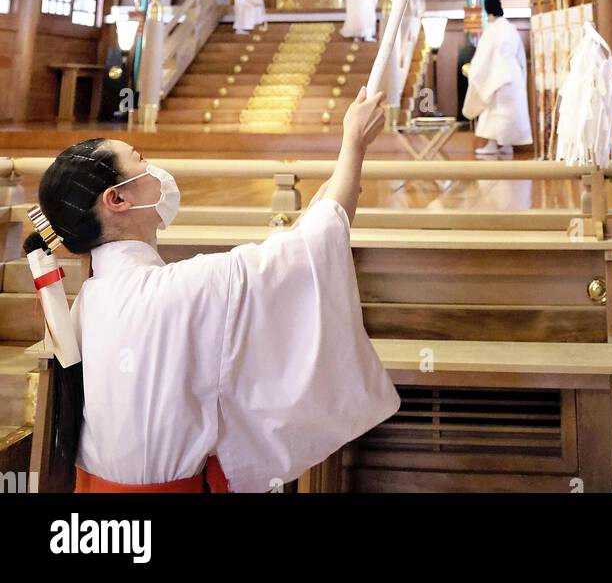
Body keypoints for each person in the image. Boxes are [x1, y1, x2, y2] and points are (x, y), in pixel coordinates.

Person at [24, 87, 399, 493]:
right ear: (117, 199)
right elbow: (314, 246)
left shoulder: (92, 300)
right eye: (140, 160)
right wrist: (354, 144)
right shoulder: (179, 289)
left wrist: (345, 168)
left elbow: (304, 242)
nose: (154, 170)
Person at [462, 0, 532, 157]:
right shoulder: (511, 29)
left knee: (494, 111)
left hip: (497, 76)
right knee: (510, 113)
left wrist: (473, 71)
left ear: (488, 12)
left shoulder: (492, 30)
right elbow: (520, 57)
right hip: (513, 74)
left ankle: (493, 144)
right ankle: (506, 145)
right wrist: (520, 76)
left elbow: (483, 57)